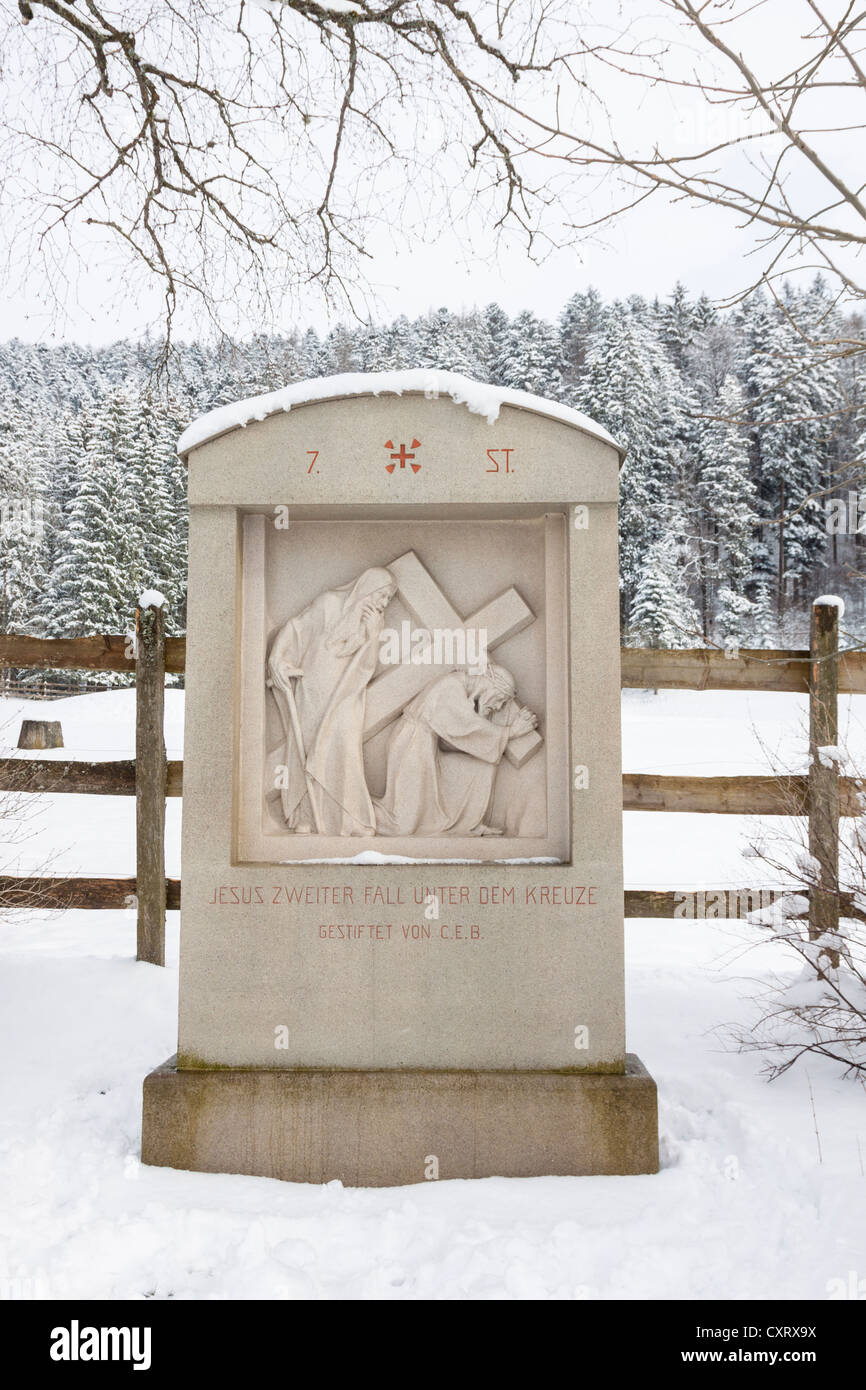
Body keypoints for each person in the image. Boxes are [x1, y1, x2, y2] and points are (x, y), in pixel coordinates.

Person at [267, 566, 396, 835]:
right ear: (366, 588)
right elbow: (297, 630)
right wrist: (277, 659)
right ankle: (307, 817)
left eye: (387, 599)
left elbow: (367, 666)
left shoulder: (373, 622)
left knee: (344, 746)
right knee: (306, 746)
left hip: (347, 693)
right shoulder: (329, 604)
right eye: (381, 595)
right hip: (314, 688)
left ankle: (346, 819)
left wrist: (372, 636)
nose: (383, 603)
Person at [373, 664, 537, 837]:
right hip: (411, 746)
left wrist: (482, 717)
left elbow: (452, 740)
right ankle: (354, 812)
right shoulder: (451, 685)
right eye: (500, 699)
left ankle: (468, 823)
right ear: (490, 683)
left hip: (426, 747)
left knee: (482, 765)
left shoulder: (460, 690)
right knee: (402, 826)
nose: (498, 707)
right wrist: (511, 732)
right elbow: (466, 727)